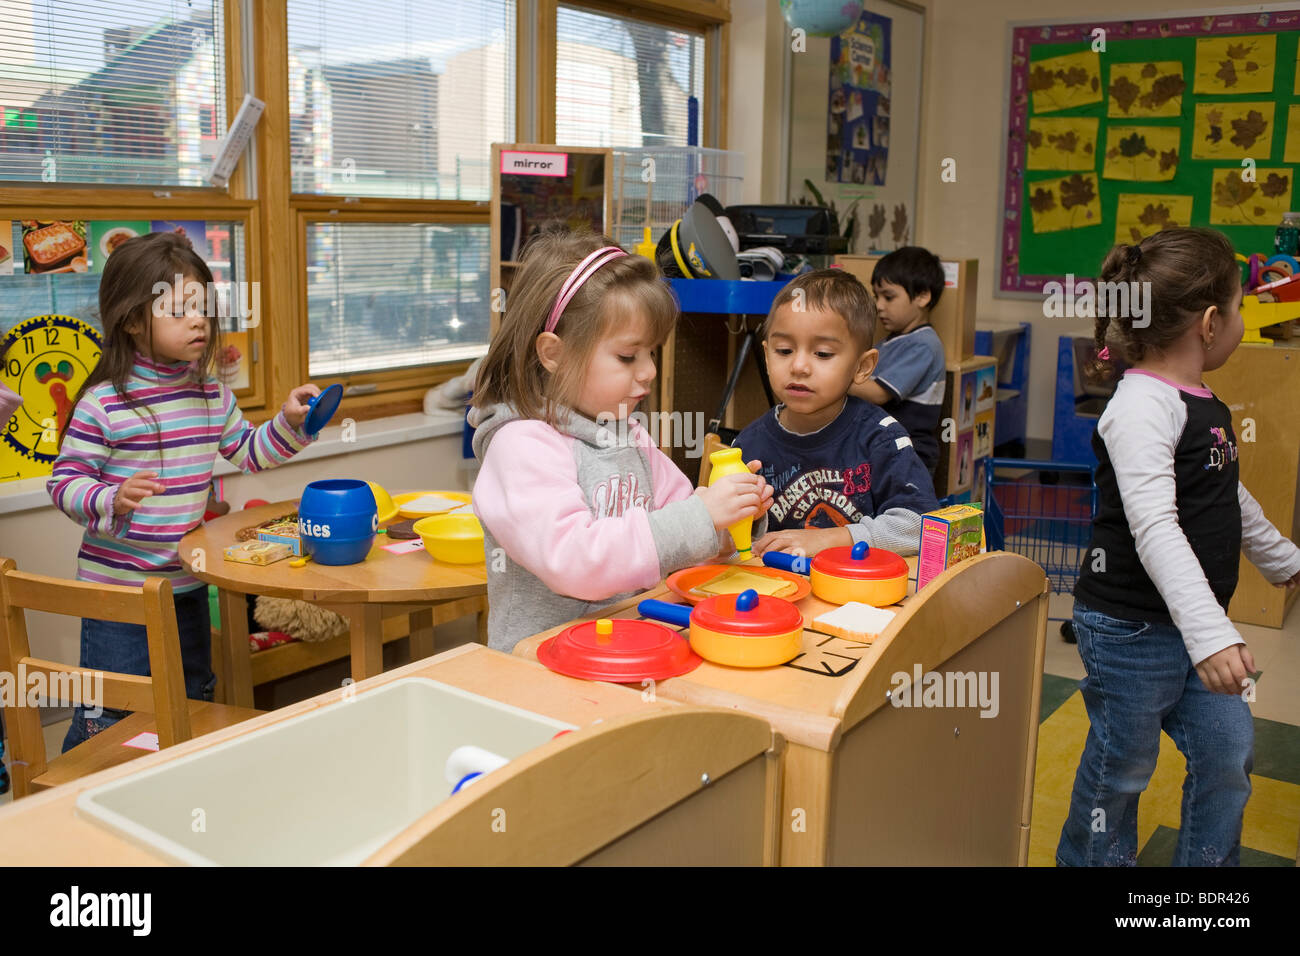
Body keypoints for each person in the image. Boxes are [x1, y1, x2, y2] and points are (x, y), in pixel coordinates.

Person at [1058, 227, 1300, 867]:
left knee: (1228, 757)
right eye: (1242, 306)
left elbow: (1225, 495)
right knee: (1122, 772)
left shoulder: (1203, 402)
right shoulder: (1140, 405)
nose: (1243, 319)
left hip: (1193, 631)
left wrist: (1282, 559)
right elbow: (1157, 527)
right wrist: (1213, 636)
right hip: (1131, 631)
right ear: (1213, 321)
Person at [49, 231, 320, 750]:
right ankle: (73, 801)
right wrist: (111, 495)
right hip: (118, 597)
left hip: (187, 588)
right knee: (112, 717)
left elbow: (251, 452)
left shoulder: (211, 392)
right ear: (132, 321)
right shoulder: (103, 403)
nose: (198, 321)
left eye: (202, 308)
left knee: (191, 700)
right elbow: (63, 484)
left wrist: (292, 422)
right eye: (179, 311)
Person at [470, 228, 772, 653]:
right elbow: (575, 562)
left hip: (632, 649)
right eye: (628, 356)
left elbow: (680, 531)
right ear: (553, 354)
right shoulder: (520, 446)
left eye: (652, 352)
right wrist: (702, 516)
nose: (648, 370)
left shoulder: (626, 432)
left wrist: (729, 520)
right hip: (543, 670)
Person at [735, 268, 938, 559]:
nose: (799, 366)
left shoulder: (882, 439)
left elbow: (924, 525)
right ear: (766, 356)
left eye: (823, 354)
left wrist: (839, 537)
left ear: (862, 367)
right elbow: (724, 540)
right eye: (784, 350)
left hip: (858, 597)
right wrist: (747, 522)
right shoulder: (748, 446)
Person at [849, 246, 947, 475]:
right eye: (876, 296)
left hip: (909, 454)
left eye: (889, 297)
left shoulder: (923, 345)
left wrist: (835, 377)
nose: (879, 305)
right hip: (884, 448)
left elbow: (878, 394)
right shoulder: (889, 343)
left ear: (923, 296)